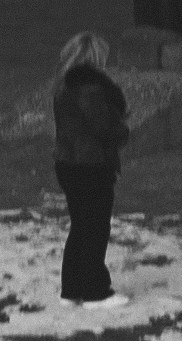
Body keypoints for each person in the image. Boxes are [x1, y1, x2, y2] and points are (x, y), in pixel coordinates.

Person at [49, 29, 130, 303]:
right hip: (91, 166)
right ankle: (95, 291)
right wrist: (122, 131)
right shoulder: (91, 89)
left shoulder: (63, 87)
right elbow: (103, 128)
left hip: (68, 164)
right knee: (95, 229)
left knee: (80, 227)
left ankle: (71, 288)